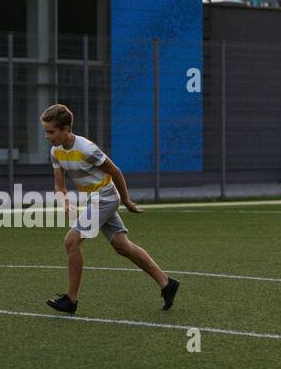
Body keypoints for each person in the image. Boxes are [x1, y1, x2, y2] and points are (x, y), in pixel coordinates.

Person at [40, 103, 179, 314]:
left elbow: (115, 172)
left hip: (105, 198)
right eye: (45, 131)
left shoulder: (87, 149)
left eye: (50, 131)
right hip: (94, 199)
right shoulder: (56, 152)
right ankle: (167, 283)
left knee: (71, 241)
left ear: (66, 129)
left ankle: (71, 300)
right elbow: (59, 185)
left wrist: (126, 200)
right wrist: (64, 201)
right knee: (121, 245)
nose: (47, 136)